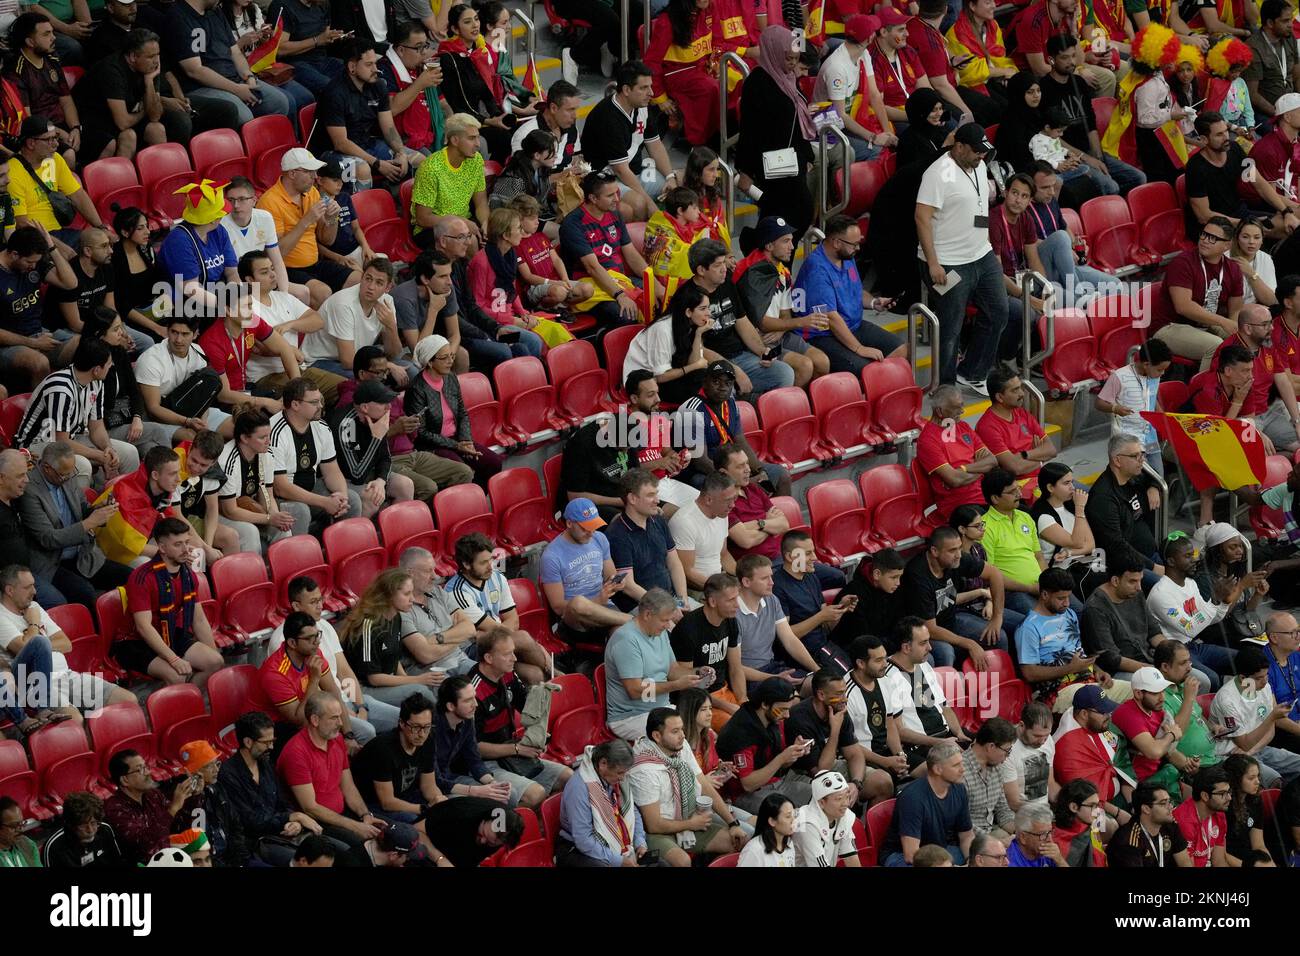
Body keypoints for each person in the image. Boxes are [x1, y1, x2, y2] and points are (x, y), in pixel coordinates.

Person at [916, 123, 1008, 393]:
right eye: (976, 151)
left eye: (983, 150)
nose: (981, 156)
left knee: (999, 311)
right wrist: (933, 263)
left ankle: (971, 372)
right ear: (959, 146)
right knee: (951, 323)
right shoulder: (938, 174)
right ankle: (944, 386)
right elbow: (921, 218)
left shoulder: (979, 164)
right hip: (948, 261)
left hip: (981, 253)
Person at [17, 441, 133, 607]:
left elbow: (82, 508)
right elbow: (48, 539)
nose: (69, 478)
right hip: (53, 562)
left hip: (82, 553)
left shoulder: (66, 475)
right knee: (87, 595)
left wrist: (99, 509)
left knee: (131, 577)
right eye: (64, 475)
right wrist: (89, 523)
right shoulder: (29, 490)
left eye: (71, 473)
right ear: (47, 468)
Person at [468, 627, 573, 808]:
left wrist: (541, 698)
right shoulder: (472, 692)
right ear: (488, 658)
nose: (515, 659)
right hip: (486, 764)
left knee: (569, 779)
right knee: (535, 794)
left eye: (514, 653)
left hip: (512, 753)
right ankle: (509, 827)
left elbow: (526, 707)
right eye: (507, 654)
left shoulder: (507, 673)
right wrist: (517, 749)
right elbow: (474, 748)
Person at [629, 706, 746, 866]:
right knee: (682, 861)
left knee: (740, 841)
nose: (683, 735)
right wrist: (691, 824)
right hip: (659, 832)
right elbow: (653, 824)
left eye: (682, 729)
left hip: (690, 818)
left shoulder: (679, 746)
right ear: (657, 736)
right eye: (675, 731)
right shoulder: (643, 769)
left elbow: (703, 785)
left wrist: (732, 823)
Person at [277, 692, 383, 866]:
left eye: (340, 717)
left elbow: (348, 787)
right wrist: (354, 826)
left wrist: (365, 815)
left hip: (342, 815)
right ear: (315, 720)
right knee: (360, 852)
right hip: (317, 823)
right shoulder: (296, 753)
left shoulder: (337, 739)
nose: (340, 723)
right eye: (334, 718)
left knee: (389, 834)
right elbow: (310, 808)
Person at [792, 214, 905, 378]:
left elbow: (856, 291)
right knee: (868, 369)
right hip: (822, 335)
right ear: (837, 242)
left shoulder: (846, 256)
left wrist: (874, 302)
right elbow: (831, 318)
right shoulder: (816, 270)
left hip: (853, 325)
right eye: (855, 244)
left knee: (901, 350)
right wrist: (859, 348)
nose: (858, 248)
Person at [217, 711, 336, 867]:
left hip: (282, 832)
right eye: (266, 742)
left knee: (336, 850)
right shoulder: (228, 774)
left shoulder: (265, 763)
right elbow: (250, 822)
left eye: (272, 741)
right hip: (257, 843)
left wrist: (294, 822)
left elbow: (283, 800)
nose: (272, 747)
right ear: (247, 742)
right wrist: (290, 818)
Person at [159, 0, 297, 127]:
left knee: (279, 102)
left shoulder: (215, 12)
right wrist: (236, 89)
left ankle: (269, 151)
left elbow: (235, 51)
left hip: (235, 78)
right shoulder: (178, 17)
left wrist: (248, 77)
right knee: (244, 116)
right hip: (201, 87)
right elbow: (195, 70)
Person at [120, 517, 223, 688]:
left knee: (215, 661)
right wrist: (174, 659)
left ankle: (189, 701)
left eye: (187, 542)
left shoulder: (188, 575)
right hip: (135, 641)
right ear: (162, 548)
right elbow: (143, 628)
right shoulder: (141, 578)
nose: (186, 549)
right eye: (178, 544)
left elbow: (199, 620)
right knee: (177, 675)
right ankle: (177, 706)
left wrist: (212, 652)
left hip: (168, 631)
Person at [444, 532, 552, 685]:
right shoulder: (456, 591)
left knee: (534, 675)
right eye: (483, 563)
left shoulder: (496, 578)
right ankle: (557, 676)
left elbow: (513, 621)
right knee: (522, 638)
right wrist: (534, 646)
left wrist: (495, 631)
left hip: (498, 640)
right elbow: (494, 629)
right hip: (473, 650)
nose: (490, 567)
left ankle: (549, 691)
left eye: (491, 560)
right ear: (466, 564)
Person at [310, 40, 417, 192]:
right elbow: (341, 143)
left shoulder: (378, 85)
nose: (376, 69)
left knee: (419, 160)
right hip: (332, 154)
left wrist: (400, 152)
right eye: (369, 65)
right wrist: (377, 163)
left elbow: (389, 127)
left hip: (367, 145)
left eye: (375, 63)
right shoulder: (334, 93)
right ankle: (362, 213)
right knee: (363, 169)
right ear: (352, 67)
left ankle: (407, 209)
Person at [73, 28, 190, 165]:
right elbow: (123, 123)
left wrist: (148, 82)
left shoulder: (150, 69)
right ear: (133, 57)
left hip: (120, 117)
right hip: (92, 120)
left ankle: (159, 178)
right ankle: (120, 182)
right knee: (129, 136)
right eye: (151, 56)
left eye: (157, 55)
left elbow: (155, 115)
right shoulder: (111, 70)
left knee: (156, 129)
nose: (156, 61)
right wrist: (145, 109)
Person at [1017, 567, 1128, 711]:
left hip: (1090, 683)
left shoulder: (1069, 614)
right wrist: (1069, 668)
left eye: (1068, 597)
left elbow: (1077, 654)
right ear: (1044, 594)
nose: (1067, 603)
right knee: (1119, 712)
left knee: (1142, 692)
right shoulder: (1028, 627)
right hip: (1059, 692)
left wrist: (1098, 670)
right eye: (1061, 598)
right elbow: (1029, 673)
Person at [675, 360, 791, 496]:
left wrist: (758, 470)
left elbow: (740, 441)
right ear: (705, 382)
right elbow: (700, 462)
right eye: (716, 382)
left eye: (728, 383)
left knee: (781, 475)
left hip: (731, 466)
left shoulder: (730, 403)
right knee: (725, 489)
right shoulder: (690, 411)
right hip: (700, 473)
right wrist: (735, 479)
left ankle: (775, 515)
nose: (722, 387)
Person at [899, 527, 1010, 669]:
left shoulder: (957, 559)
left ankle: (993, 688)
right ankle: (947, 690)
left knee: (998, 637)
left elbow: (995, 574)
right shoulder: (917, 576)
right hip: (922, 633)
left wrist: (997, 617)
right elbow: (931, 629)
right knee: (946, 653)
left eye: (959, 548)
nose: (958, 555)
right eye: (952, 550)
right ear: (934, 551)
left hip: (952, 619)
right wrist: (969, 643)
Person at [580, 62, 676, 224]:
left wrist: (670, 177)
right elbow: (620, 170)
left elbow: (655, 145)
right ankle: (636, 246)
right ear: (626, 90)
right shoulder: (607, 117)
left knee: (677, 187)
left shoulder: (642, 106)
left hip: (635, 171)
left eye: (650, 87)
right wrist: (650, 204)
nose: (651, 93)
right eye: (643, 88)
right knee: (639, 204)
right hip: (606, 178)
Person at [403, 335, 504, 490]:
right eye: (444, 358)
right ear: (430, 361)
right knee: (462, 470)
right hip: (432, 445)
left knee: (493, 462)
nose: (450, 361)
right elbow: (421, 433)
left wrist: (466, 440)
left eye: (452, 355)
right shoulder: (416, 389)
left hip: (457, 440)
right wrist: (457, 445)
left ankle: (474, 500)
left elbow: (462, 412)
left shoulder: (450, 378)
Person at [558, 170, 657, 327]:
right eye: (610, 195)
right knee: (627, 315)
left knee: (658, 301)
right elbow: (592, 268)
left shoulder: (615, 215)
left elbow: (631, 254)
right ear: (593, 198)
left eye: (617, 193)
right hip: (593, 287)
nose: (617, 199)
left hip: (620, 280)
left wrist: (655, 284)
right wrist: (619, 295)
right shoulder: (573, 224)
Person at [339, 568, 443, 715]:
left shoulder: (396, 617)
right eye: (407, 594)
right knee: (418, 691)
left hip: (387, 681)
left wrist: (409, 679)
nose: (412, 599)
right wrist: (416, 680)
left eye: (412, 593)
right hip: (363, 689)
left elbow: (394, 659)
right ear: (388, 595)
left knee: (438, 685)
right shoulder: (369, 626)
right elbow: (374, 678)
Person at [604, 589, 705, 741]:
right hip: (630, 717)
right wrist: (676, 685)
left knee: (700, 722)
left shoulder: (660, 633)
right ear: (647, 615)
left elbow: (673, 670)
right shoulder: (626, 640)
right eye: (664, 620)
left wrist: (697, 673)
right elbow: (635, 690)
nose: (667, 626)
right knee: (677, 734)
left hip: (661, 710)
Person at [1186, 112, 1300, 245]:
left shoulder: (1234, 149)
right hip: (1215, 226)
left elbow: (1259, 183)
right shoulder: (1195, 168)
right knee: (1290, 230)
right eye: (1219, 134)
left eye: (1226, 131)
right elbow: (1203, 216)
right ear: (1204, 140)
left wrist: (1286, 211)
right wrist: (1246, 224)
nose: (1226, 137)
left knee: (1295, 217)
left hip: (1242, 213)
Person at [1147, 532, 1243, 688]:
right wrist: (1215, 600)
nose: (1194, 560)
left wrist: (1223, 602)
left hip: (1194, 646)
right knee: (1211, 679)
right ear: (1171, 561)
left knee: (1245, 659)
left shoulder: (1190, 583)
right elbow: (1190, 628)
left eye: (1194, 554)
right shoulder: (1161, 595)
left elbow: (1212, 618)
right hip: (1175, 654)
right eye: (1187, 556)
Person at [257, 149, 359, 296]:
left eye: (315, 172)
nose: (315, 177)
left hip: (315, 263)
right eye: (309, 172)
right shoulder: (269, 202)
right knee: (323, 292)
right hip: (287, 269)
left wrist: (332, 219)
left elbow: (327, 240)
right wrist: (306, 221)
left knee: (357, 280)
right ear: (292, 174)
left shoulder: (312, 192)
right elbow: (276, 254)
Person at [268, 378, 362, 536]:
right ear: (295, 405)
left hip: (310, 488)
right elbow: (281, 487)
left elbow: (331, 470)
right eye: (314, 402)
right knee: (300, 511)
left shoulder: (321, 426)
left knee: (351, 500)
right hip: (281, 498)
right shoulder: (275, 432)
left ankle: (342, 554)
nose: (320, 406)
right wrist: (325, 502)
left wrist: (342, 496)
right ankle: (301, 558)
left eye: (321, 400)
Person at [261, 610, 368, 746]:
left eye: (317, 635)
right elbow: (298, 720)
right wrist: (314, 679)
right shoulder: (275, 673)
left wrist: (348, 735)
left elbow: (334, 693)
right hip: (278, 729)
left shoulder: (313, 653)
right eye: (310, 638)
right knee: (335, 740)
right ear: (292, 643)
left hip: (309, 714)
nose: (317, 642)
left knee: (364, 733)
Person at [786, 669, 893, 804]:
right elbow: (821, 771)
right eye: (839, 694)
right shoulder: (800, 719)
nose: (845, 698)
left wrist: (856, 784)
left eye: (845, 692)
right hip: (802, 774)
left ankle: (864, 824)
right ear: (821, 695)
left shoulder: (838, 707)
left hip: (832, 764)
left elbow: (855, 754)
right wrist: (835, 730)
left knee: (883, 781)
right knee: (836, 797)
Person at [715, 677, 816, 814]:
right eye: (782, 709)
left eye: (788, 709)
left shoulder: (774, 718)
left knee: (825, 794)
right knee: (792, 817)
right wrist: (782, 758)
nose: (787, 715)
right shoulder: (740, 733)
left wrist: (793, 754)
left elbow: (778, 765)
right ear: (765, 704)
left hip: (778, 782)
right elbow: (748, 784)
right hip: (746, 795)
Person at [881, 618, 971, 768]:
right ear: (906, 648)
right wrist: (940, 743)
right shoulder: (889, 678)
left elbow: (945, 707)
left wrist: (959, 733)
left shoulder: (924, 665)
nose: (930, 647)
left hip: (945, 737)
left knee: (990, 745)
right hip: (920, 747)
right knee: (962, 767)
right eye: (923, 643)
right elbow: (899, 731)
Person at [8, 118, 107, 253]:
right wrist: (57, 247)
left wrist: (101, 228)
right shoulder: (12, 173)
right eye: (49, 140)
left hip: (60, 232)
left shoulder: (55, 159)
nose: (56, 144)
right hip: (37, 241)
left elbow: (78, 195)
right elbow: (22, 225)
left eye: (56, 138)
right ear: (31, 143)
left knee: (102, 244)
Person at [1211, 644, 1300, 787]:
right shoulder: (1227, 700)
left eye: (1266, 675)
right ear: (1242, 678)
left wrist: (1253, 750)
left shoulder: (1264, 686)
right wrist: (1272, 717)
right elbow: (1244, 743)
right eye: (1259, 678)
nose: (1265, 681)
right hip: (1231, 756)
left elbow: (1270, 731)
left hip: (1258, 748)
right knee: (1276, 781)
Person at [349, 693, 445, 825]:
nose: (422, 734)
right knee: (420, 823)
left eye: (427, 727)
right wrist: (425, 808)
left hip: (404, 795)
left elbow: (428, 786)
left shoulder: (427, 740)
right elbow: (387, 802)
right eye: (416, 727)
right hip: (371, 803)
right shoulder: (383, 749)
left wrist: (440, 802)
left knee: (447, 814)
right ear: (402, 723)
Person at [603, 470, 690, 615]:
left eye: (656, 494)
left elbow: (674, 563)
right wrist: (664, 608)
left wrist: (682, 600)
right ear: (632, 498)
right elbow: (628, 585)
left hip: (670, 600)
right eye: (650, 495)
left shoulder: (658, 521)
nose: (657, 500)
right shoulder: (617, 535)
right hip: (642, 606)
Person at [328, 377, 415, 518]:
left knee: (405, 485)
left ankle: (395, 534)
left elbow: (386, 458)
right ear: (365, 407)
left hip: (365, 471)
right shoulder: (346, 425)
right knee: (371, 497)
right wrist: (377, 438)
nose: (389, 407)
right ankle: (364, 537)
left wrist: (381, 480)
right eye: (383, 403)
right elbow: (356, 475)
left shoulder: (376, 417)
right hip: (340, 478)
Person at [556, 740, 649, 866]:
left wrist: (639, 842)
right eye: (620, 773)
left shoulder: (616, 778)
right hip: (575, 849)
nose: (623, 778)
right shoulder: (579, 788)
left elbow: (632, 810)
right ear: (603, 763)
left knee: (660, 863)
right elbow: (583, 840)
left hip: (619, 840)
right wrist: (619, 861)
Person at [880, 741, 974, 866]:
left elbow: (966, 836)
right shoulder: (913, 798)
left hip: (939, 850)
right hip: (902, 856)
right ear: (937, 769)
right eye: (956, 765)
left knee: (984, 857)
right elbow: (911, 854)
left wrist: (970, 862)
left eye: (962, 763)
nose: (963, 769)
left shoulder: (959, 789)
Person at [1085, 433, 1162, 584]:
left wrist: (1154, 487)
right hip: (1129, 567)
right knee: (1167, 588)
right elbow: (1116, 545)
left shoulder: (1134, 476)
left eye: (1142, 454)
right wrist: (1153, 567)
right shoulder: (1103, 498)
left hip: (1151, 554)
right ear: (1117, 460)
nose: (1142, 460)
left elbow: (1156, 478)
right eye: (1135, 456)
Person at [671, 574, 746, 728]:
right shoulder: (688, 629)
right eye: (731, 600)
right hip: (699, 701)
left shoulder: (730, 620)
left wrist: (743, 701)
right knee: (739, 728)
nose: (737, 605)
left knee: (760, 719)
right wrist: (726, 706)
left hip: (724, 691)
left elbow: (736, 668)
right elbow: (686, 684)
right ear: (712, 601)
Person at [916, 385, 998, 524]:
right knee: (999, 527)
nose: (962, 411)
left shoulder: (963, 427)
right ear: (940, 412)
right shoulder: (928, 440)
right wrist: (981, 468)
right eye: (956, 408)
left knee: (1023, 513)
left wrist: (965, 469)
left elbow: (993, 461)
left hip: (985, 495)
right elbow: (954, 480)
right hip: (958, 506)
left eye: (962, 405)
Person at [1094, 340, 1173, 478]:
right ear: (1146, 364)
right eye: (1160, 369)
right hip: (1128, 440)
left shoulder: (1154, 376)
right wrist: (1115, 408)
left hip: (1150, 439)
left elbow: (1152, 399)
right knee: (1137, 479)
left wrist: (1162, 419)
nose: (1163, 373)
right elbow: (1099, 402)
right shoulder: (1120, 377)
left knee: (1158, 477)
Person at [1112, 665, 1198, 790]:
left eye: (1162, 691)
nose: (1162, 698)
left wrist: (1187, 764)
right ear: (1138, 693)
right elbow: (1154, 752)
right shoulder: (1127, 713)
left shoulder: (1157, 711)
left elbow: (1168, 750)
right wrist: (1171, 735)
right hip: (1136, 783)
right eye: (1155, 693)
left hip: (1158, 774)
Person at [103, 749, 194, 866]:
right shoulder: (115, 808)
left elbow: (180, 825)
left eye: (146, 766)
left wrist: (193, 797)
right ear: (125, 780)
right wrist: (172, 809)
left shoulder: (153, 795)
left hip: (169, 860)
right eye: (140, 769)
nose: (147, 772)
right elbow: (142, 843)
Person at [975, 368, 1057, 496]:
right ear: (999, 397)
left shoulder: (1021, 413)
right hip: (1015, 489)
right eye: (1015, 390)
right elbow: (1015, 468)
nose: (1022, 394)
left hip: (1040, 479)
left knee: (1082, 494)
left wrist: (1024, 455)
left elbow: (1051, 450)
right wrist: (1040, 458)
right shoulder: (988, 427)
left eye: (1020, 388)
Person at [410, 113, 488, 242]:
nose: (478, 144)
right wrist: (458, 222)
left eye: (478, 138)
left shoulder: (476, 160)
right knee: (470, 240)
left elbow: (481, 202)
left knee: (497, 233)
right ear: (455, 140)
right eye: (471, 138)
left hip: (464, 222)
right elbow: (423, 219)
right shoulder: (431, 168)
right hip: (432, 229)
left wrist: (485, 223)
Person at [669, 472, 737, 591]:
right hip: (697, 589)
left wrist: (740, 577)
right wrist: (722, 589)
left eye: (734, 499)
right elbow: (687, 571)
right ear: (709, 500)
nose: (733, 505)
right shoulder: (684, 522)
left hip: (719, 581)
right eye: (728, 500)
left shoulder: (722, 513)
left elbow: (723, 554)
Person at [1108, 781, 1193, 867]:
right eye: (1163, 803)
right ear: (1146, 809)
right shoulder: (1128, 841)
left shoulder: (1171, 827)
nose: (1171, 807)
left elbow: (1185, 863)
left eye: (1170, 802)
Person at [961, 717, 1018, 835]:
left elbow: (1002, 810)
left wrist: (1020, 832)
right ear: (991, 747)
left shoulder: (996, 766)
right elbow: (961, 823)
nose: (1007, 756)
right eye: (1007, 751)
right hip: (969, 839)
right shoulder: (960, 771)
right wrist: (995, 843)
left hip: (991, 832)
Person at [1244, 1, 1299, 119]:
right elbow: (1252, 95)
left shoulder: (1289, 37)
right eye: (1285, 21)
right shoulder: (1253, 47)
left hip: (1292, 108)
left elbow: (1297, 77)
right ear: (1270, 23)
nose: (1291, 25)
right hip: (1267, 113)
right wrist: (1280, 115)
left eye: (1290, 20)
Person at [40, 792, 123, 868]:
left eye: (93, 823)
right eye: (83, 825)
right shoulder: (54, 846)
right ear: (71, 824)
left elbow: (117, 863)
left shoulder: (105, 830)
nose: (90, 830)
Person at [1171, 764, 1232, 866]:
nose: (1229, 798)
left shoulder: (1219, 813)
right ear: (1205, 796)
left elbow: (1219, 861)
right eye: (1222, 793)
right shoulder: (1185, 821)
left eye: (1229, 792)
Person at [1006, 700, 1056, 810]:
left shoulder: (1048, 741)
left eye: (1046, 735)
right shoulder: (1008, 749)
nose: (1042, 741)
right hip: (1020, 814)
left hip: (1044, 810)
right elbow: (1013, 803)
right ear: (1022, 725)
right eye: (1037, 736)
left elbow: (1050, 783)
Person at [736, 792, 797, 866]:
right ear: (772, 821)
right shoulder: (754, 851)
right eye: (788, 816)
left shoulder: (788, 842)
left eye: (794, 815)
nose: (794, 820)